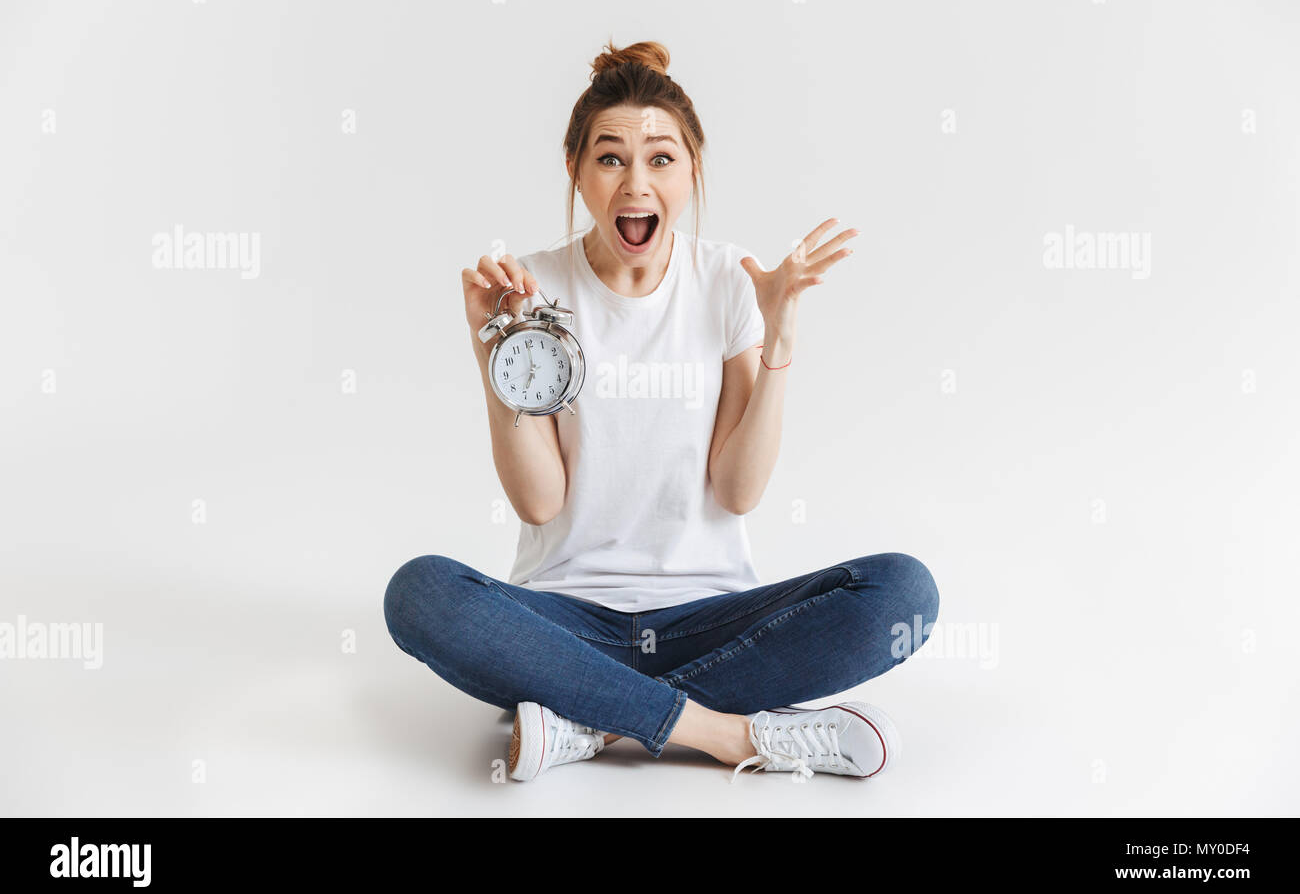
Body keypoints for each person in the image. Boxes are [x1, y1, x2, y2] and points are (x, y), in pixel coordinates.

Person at [384, 39, 940, 783]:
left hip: (709, 620)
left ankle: (592, 726)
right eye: (610, 158)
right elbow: (539, 499)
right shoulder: (533, 287)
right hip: (564, 624)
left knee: (904, 592)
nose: (635, 182)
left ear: (692, 170)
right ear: (577, 171)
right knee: (419, 594)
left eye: (661, 159)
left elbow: (737, 491)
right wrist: (494, 347)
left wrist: (777, 335)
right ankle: (724, 733)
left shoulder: (728, 281)